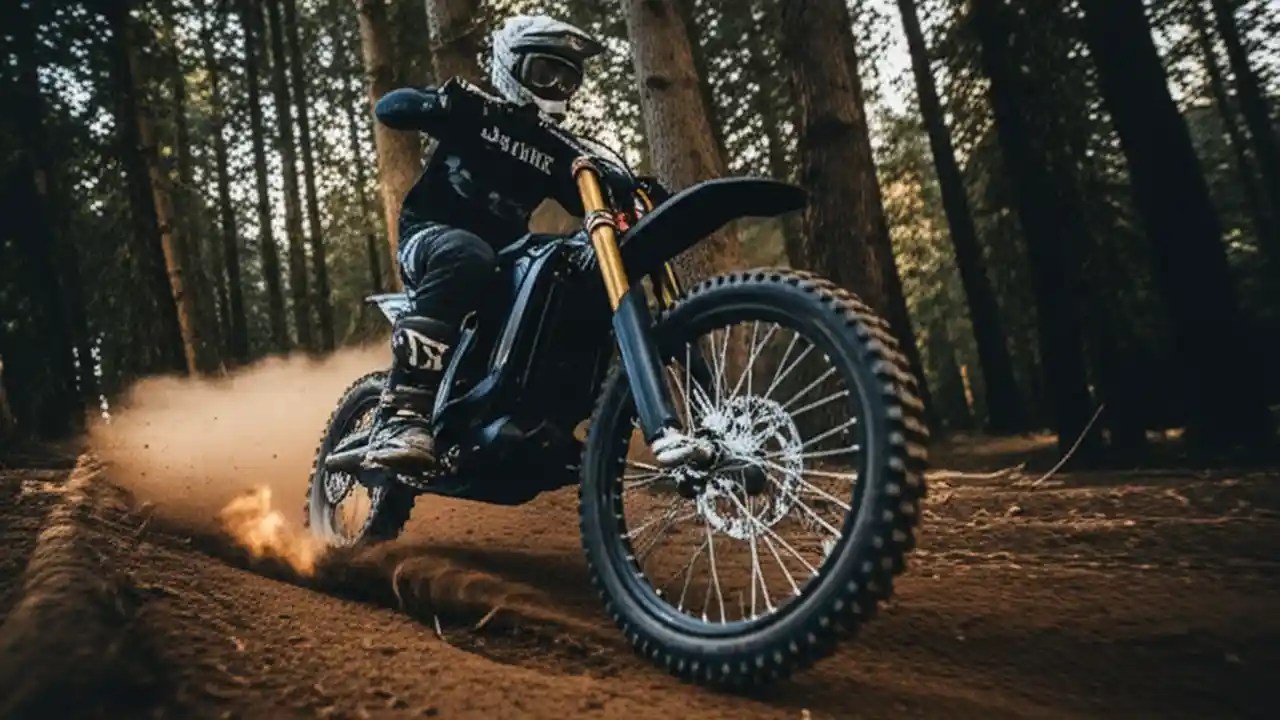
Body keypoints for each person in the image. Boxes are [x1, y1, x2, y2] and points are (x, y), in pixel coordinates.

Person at [360, 15, 615, 474]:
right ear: (510, 67)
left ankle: (550, 420)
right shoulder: (474, 111)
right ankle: (402, 414)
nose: (555, 85)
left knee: (565, 271)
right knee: (468, 252)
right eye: (544, 72)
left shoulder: (558, 150)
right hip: (431, 238)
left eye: (567, 78)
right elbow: (390, 109)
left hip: (501, 261)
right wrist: (440, 104)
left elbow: (590, 196)